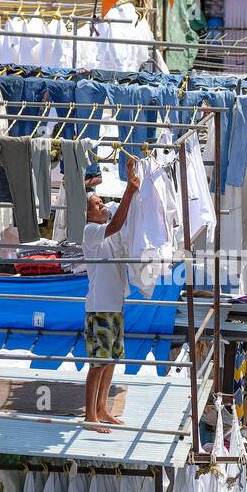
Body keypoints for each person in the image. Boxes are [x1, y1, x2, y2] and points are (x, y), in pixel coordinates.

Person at [82, 158, 141, 428]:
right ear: (87, 215)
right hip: (99, 306)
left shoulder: (107, 232)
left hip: (114, 304)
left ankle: (103, 408)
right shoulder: (91, 231)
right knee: (97, 363)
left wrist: (133, 187)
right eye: (96, 204)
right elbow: (117, 224)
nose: (102, 205)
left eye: (102, 201)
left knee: (111, 360)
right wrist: (128, 189)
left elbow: (124, 221)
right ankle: (90, 415)